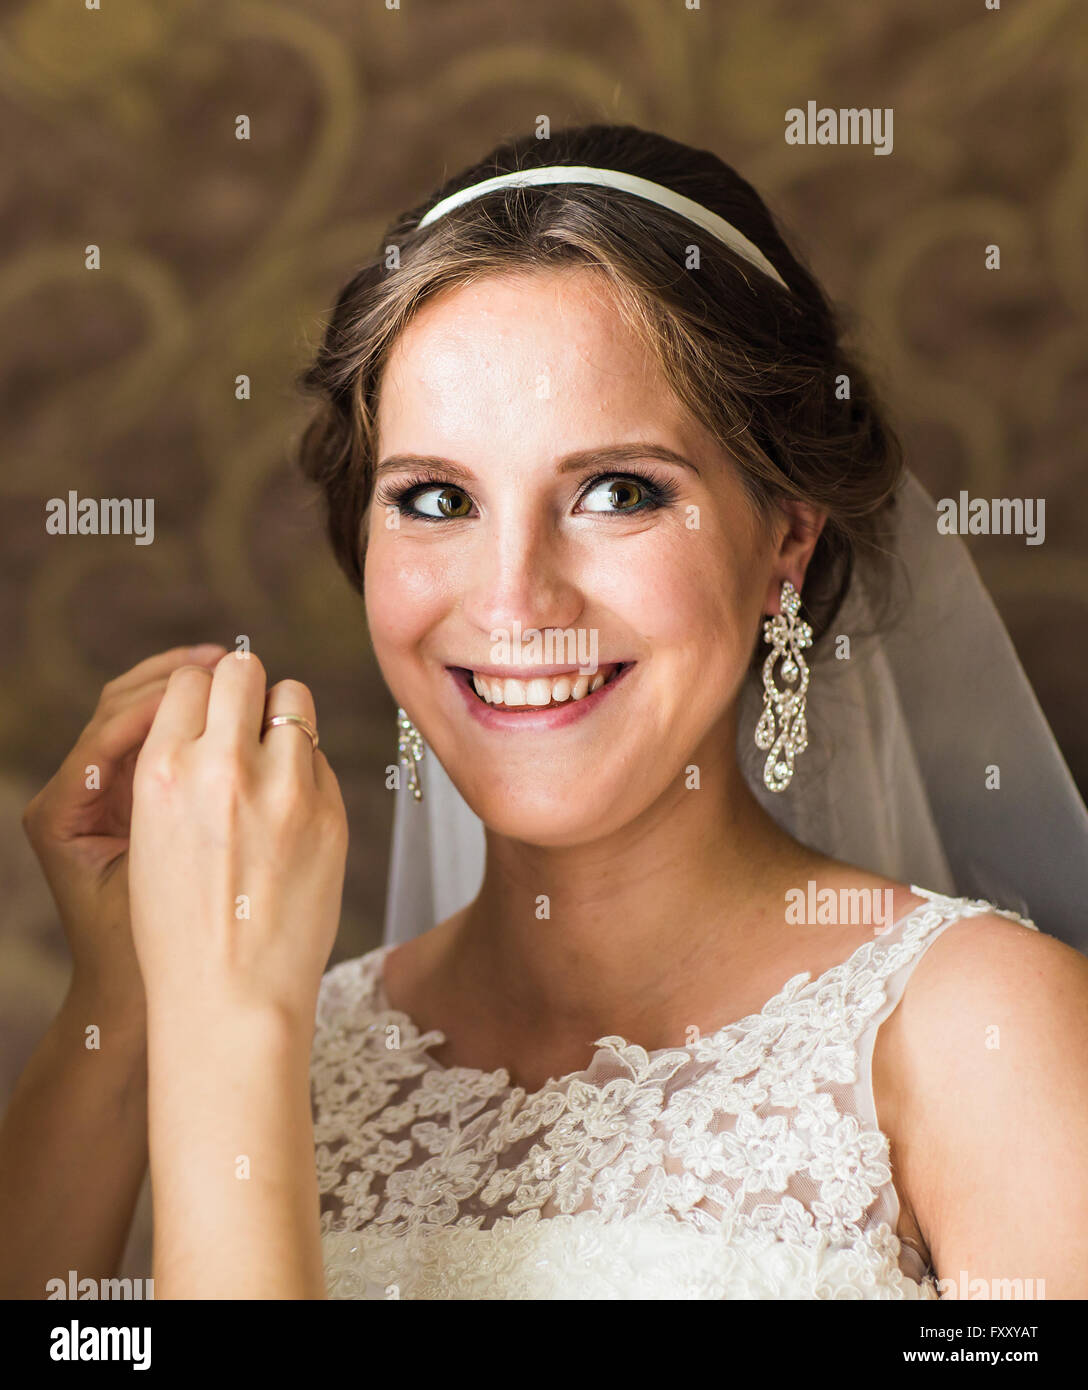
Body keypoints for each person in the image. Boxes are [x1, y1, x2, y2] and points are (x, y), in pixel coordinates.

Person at [3, 124, 1087, 1300]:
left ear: (784, 532)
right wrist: (130, 1003)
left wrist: (220, 1045)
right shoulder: (273, 1036)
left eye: (616, 491)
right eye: (433, 497)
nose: (515, 600)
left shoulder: (981, 1035)